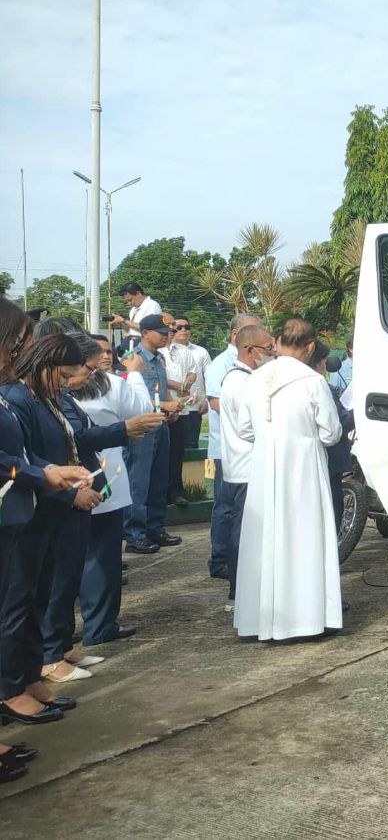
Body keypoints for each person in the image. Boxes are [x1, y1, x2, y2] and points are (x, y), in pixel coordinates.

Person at [0, 300, 89, 777]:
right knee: (14, 609)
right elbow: (11, 460)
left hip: (24, 512)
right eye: (18, 342)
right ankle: (12, 686)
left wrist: (46, 471)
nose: (20, 350)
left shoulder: (19, 399)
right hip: (22, 512)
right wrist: (43, 474)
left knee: (28, 602)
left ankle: (25, 677)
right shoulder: (15, 398)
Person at [40, 335, 162, 682]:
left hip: (92, 482)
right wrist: (125, 428)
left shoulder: (61, 396)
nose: (88, 375)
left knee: (81, 568)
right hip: (63, 492)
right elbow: (69, 441)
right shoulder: (33, 399)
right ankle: (50, 652)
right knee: (59, 576)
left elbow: (82, 433)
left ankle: (61, 645)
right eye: (82, 370)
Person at [234, 319, 342, 641]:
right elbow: (331, 433)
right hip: (303, 470)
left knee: (264, 540)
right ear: (310, 347)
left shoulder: (255, 378)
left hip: (265, 469)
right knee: (303, 538)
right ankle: (305, 620)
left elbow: (244, 430)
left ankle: (259, 620)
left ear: (279, 341)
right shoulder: (313, 381)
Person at [69, 334, 162, 646]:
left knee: (72, 564)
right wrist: (134, 373)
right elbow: (142, 409)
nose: (97, 369)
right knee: (101, 561)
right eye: (92, 364)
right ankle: (99, 626)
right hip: (103, 480)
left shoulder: (55, 393)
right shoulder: (111, 384)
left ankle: (65, 634)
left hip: (69, 486)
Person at [218, 325, 274, 612]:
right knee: (242, 532)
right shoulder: (240, 381)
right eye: (268, 348)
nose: (272, 353)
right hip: (246, 466)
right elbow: (251, 427)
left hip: (246, 465)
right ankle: (237, 593)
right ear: (250, 351)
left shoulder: (247, 378)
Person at [203, 313, 260, 579]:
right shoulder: (221, 366)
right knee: (226, 508)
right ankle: (220, 560)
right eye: (254, 331)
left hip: (245, 450)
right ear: (237, 335)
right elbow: (217, 402)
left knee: (238, 509)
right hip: (226, 448)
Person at [123, 316, 184, 554]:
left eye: (167, 331)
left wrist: (172, 406)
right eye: (161, 332)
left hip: (161, 426)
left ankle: (155, 528)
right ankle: (135, 534)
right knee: (139, 481)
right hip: (141, 429)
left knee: (159, 479)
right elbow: (128, 397)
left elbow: (161, 392)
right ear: (145, 332)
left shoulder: (159, 357)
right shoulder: (131, 359)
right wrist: (163, 406)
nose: (166, 335)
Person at [309, 342, 354, 535]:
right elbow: (336, 426)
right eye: (324, 361)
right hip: (329, 458)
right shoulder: (318, 385)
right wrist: (361, 413)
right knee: (332, 513)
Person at [159, 319, 196, 506]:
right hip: (162, 409)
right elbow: (159, 379)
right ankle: (162, 493)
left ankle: (175, 491)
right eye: (170, 330)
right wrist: (180, 386)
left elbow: (193, 372)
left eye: (175, 330)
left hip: (182, 409)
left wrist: (187, 383)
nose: (173, 333)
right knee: (161, 455)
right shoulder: (156, 352)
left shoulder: (183, 351)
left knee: (177, 453)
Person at [171, 314, 210, 448]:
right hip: (174, 407)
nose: (184, 330)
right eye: (179, 327)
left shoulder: (201, 352)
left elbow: (209, 377)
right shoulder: (165, 351)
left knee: (191, 446)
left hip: (195, 407)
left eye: (187, 327)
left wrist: (207, 401)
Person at [108, 283, 161, 349]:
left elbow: (147, 329)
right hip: (131, 344)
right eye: (127, 301)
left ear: (138, 294)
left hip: (144, 346)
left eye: (130, 300)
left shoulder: (152, 306)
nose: (129, 303)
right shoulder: (133, 309)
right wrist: (121, 323)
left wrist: (124, 320)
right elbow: (131, 330)